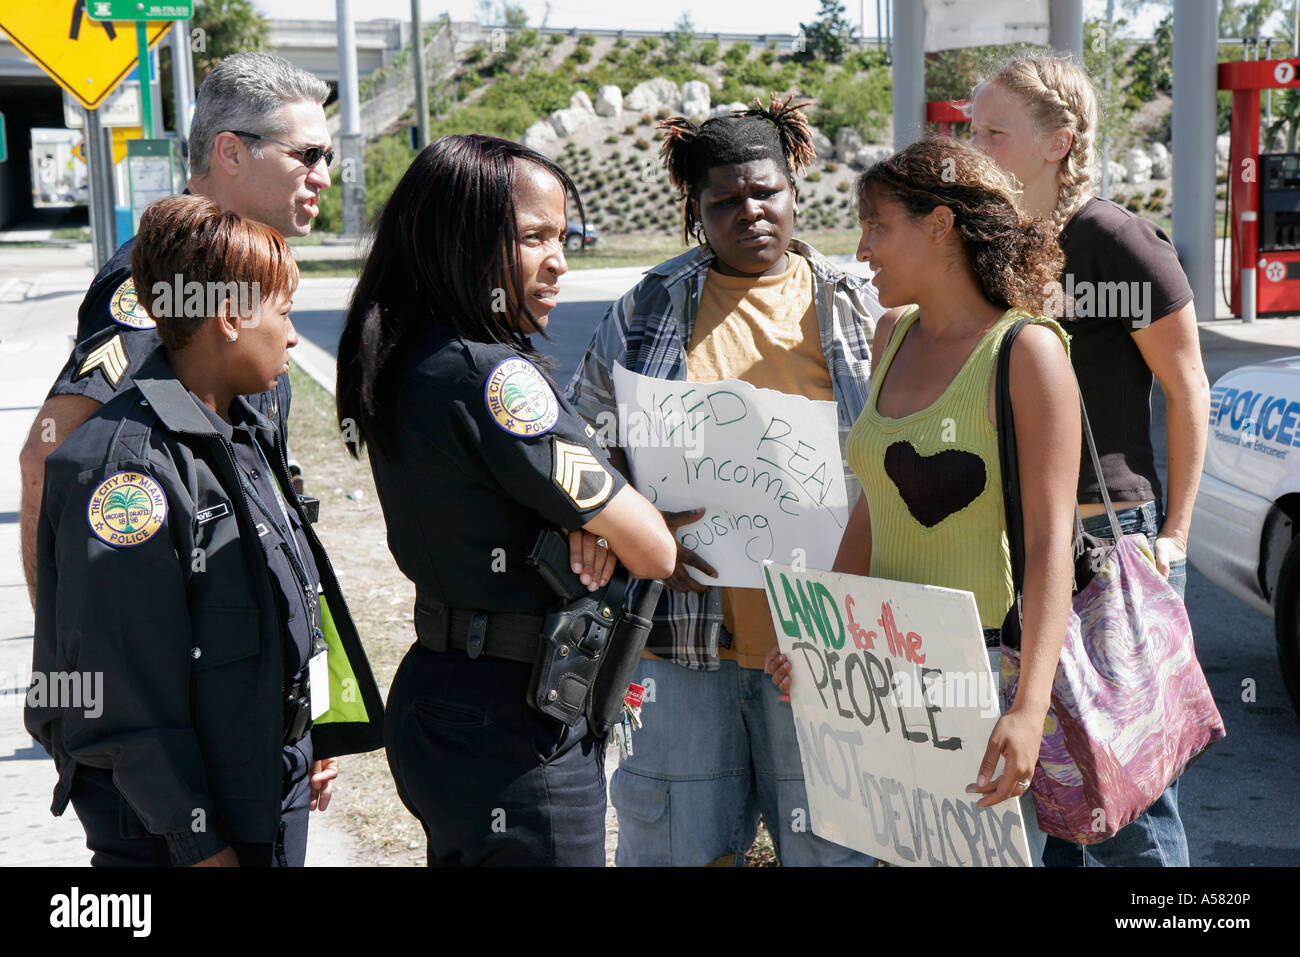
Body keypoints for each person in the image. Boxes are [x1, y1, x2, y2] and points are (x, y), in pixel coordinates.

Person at [335, 134, 676, 867]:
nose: (558, 258)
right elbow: (654, 546)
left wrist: (575, 514)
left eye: (562, 236)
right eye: (532, 237)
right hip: (513, 723)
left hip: (444, 694)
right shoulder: (496, 379)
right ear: (462, 241)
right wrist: (597, 522)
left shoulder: (407, 350)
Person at [565, 96, 882, 866]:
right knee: (679, 850)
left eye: (764, 192)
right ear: (696, 211)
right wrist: (630, 520)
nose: (750, 212)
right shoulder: (648, 308)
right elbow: (578, 443)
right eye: (725, 201)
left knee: (837, 850)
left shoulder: (860, 305)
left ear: (795, 188)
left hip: (825, 645)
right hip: (680, 646)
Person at [25, 195, 384, 867]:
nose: (294, 335)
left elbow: (285, 597)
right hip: (177, 839)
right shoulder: (128, 471)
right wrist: (200, 845)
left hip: (260, 794)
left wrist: (307, 734)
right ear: (227, 317)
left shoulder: (241, 429)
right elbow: (120, 695)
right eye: (283, 311)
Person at [767, 137, 1081, 867]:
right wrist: (824, 640)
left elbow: (1049, 548)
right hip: (887, 675)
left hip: (987, 681)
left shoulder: (1027, 352)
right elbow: (876, 506)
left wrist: (1027, 708)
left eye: (878, 225)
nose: (862, 247)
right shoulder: (890, 335)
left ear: (939, 224)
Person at [970, 55, 1210, 867]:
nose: (976, 145)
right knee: (1052, 790)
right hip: (1025, 541)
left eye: (994, 131)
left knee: (1132, 794)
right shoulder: (998, 244)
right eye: (971, 129)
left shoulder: (1111, 238)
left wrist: (1174, 534)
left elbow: (1187, 388)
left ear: (1059, 142)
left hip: (1114, 536)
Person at [18, 51, 332, 607]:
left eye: (327, 156)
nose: (324, 177)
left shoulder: (240, 271)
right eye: (307, 155)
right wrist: (66, 645)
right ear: (231, 151)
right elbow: (49, 453)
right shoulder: (164, 279)